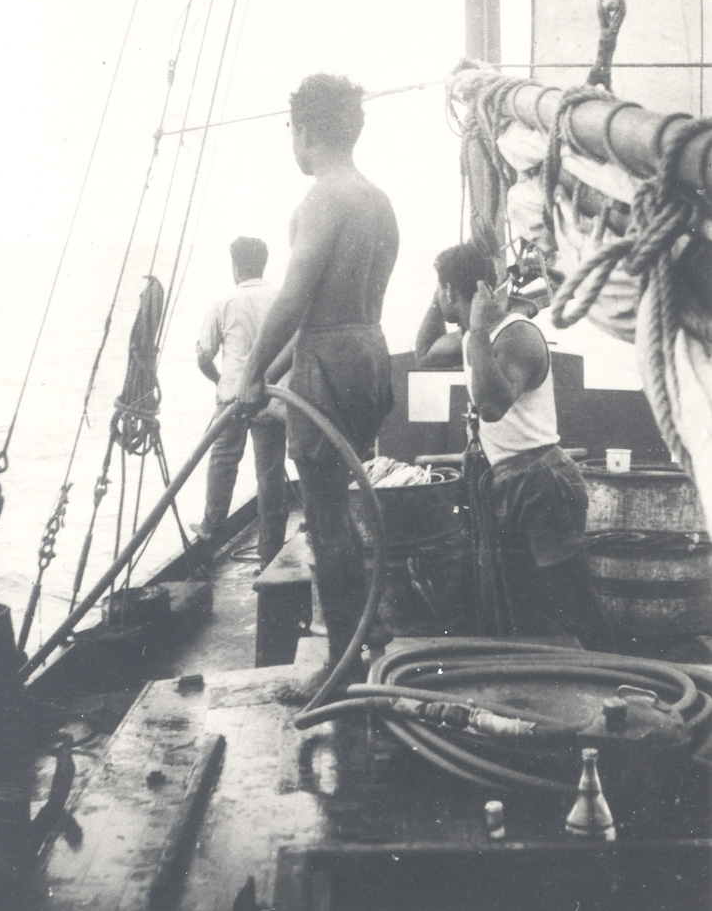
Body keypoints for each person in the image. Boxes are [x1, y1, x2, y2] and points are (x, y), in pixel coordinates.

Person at [239, 73, 399, 695]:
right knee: (347, 503)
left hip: (327, 363)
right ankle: (368, 631)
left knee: (325, 520)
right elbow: (331, 306)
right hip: (367, 351)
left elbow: (297, 297)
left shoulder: (322, 200)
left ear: (305, 131)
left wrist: (252, 373)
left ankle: (342, 662)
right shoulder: (378, 199)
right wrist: (264, 378)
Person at [428, 241, 613, 650]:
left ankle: (627, 682)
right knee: (524, 604)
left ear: (451, 291)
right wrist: (447, 295)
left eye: (441, 289)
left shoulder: (514, 336)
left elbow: (492, 406)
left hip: (539, 480)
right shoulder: (469, 338)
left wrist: (476, 328)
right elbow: (425, 350)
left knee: (573, 600)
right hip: (508, 480)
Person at [196, 237, 288, 570]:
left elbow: (203, 356)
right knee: (270, 474)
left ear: (237, 266)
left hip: (233, 398)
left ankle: (211, 530)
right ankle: (271, 549)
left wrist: (220, 379)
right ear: (262, 265)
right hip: (271, 397)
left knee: (222, 462)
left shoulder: (224, 302)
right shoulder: (280, 299)